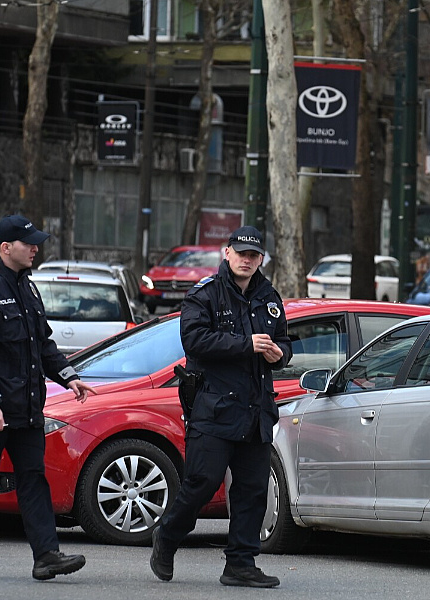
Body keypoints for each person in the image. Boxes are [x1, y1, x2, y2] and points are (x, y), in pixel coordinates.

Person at [0, 215, 96, 581]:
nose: (36, 248)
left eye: (37, 242)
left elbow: (42, 345)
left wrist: (69, 377)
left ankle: (47, 556)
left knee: (33, 479)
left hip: (25, 407)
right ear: (5, 248)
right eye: (30, 243)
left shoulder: (28, 288)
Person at [150, 225, 291, 588]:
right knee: (201, 483)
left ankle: (241, 563)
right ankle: (166, 537)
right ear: (226, 253)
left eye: (254, 255)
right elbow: (194, 341)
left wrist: (279, 354)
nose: (247, 260)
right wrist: (247, 345)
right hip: (214, 408)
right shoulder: (205, 294)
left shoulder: (269, 297)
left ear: (261, 259)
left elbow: (284, 344)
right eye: (240, 253)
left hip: (256, 409)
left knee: (252, 490)